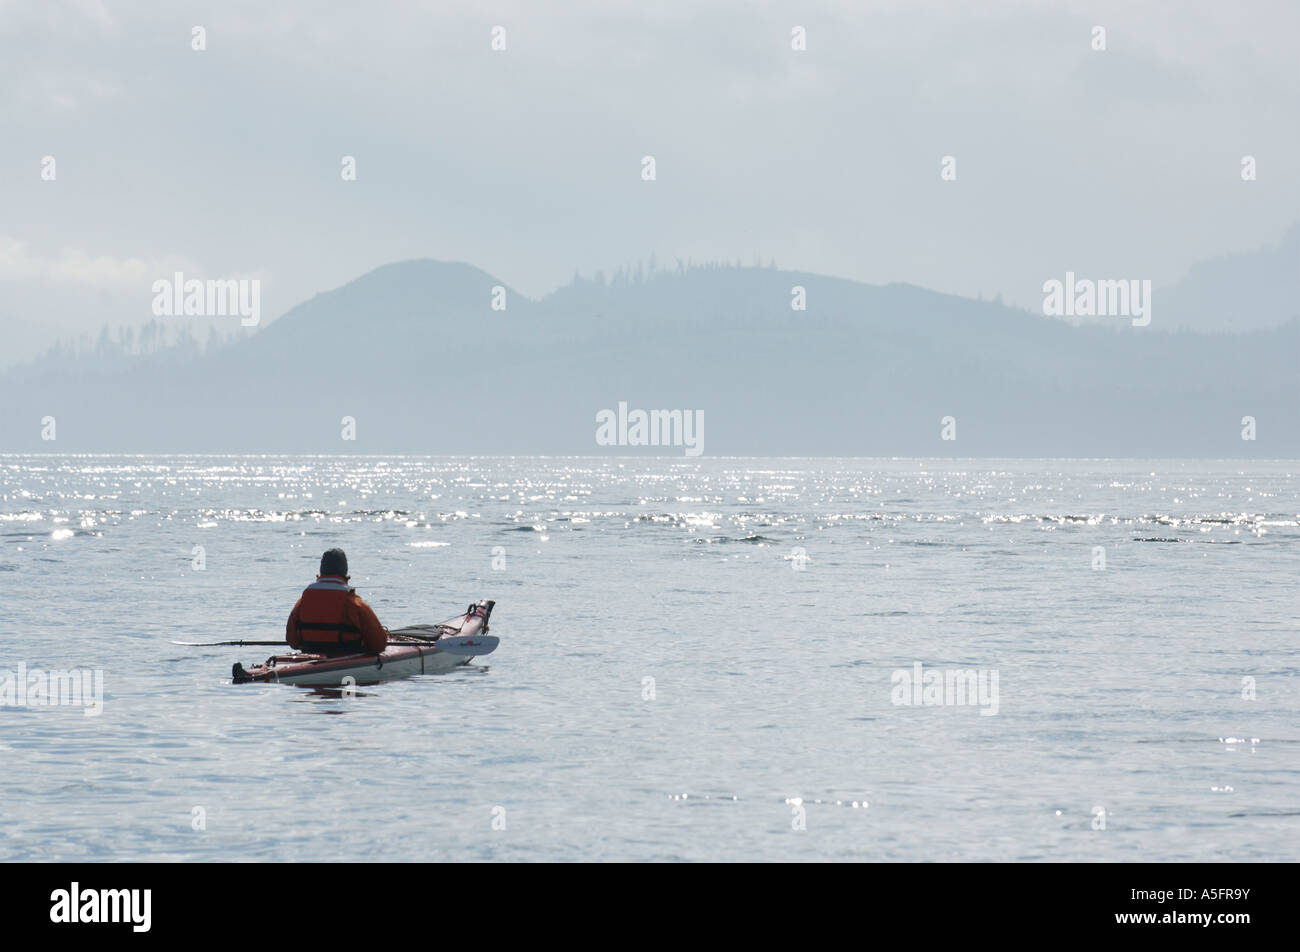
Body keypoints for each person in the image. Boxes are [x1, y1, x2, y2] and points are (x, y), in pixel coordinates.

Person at [286, 549, 388, 655]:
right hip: (346, 657)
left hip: (310, 654)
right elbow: (379, 644)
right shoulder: (355, 603)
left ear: (321, 571)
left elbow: (292, 641)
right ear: (345, 571)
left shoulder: (302, 602)